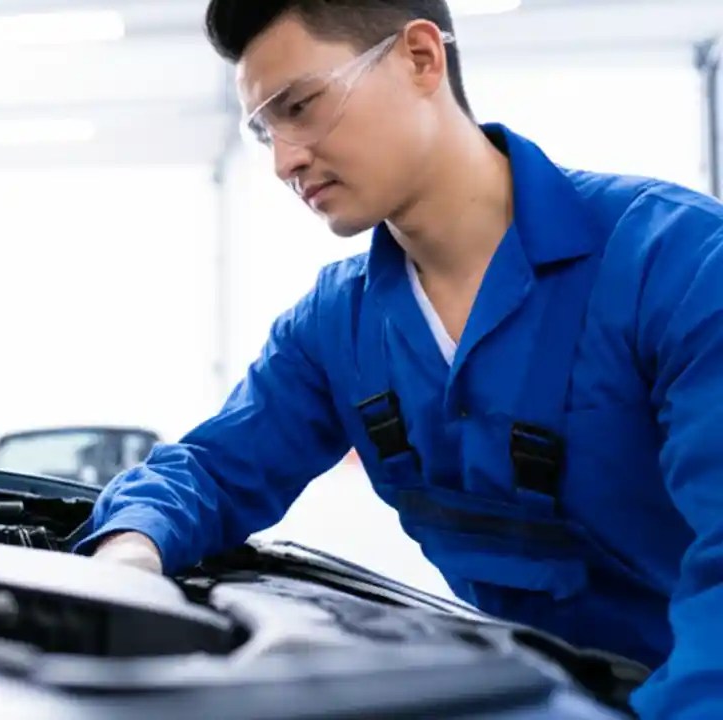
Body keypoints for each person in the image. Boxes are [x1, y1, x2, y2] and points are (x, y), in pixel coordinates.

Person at [72, 1, 723, 717]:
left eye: (302, 105)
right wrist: (130, 552)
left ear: (420, 58)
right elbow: (212, 470)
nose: (285, 159)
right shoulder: (336, 327)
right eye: (265, 132)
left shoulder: (677, 263)